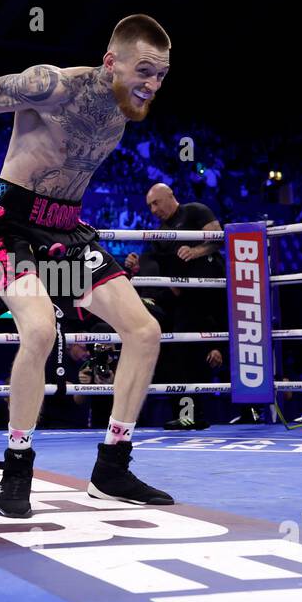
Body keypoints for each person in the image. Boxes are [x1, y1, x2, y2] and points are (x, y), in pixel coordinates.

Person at [0, 14, 173, 517]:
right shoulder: (54, 85)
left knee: (144, 331)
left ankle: (112, 467)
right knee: (39, 330)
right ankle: (18, 462)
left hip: (68, 232)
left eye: (161, 76)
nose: (152, 85)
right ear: (112, 62)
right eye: (144, 71)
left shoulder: (125, 109)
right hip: (10, 226)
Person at [126, 182, 226, 429]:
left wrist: (196, 251)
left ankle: (204, 414)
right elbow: (151, 264)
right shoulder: (161, 233)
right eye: (149, 206)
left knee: (206, 349)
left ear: (170, 195)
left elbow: (218, 238)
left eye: (156, 203)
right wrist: (135, 265)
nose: (153, 209)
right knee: (178, 353)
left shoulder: (195, 211)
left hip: (211, 292)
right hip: (184, 301)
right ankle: (187, 415)